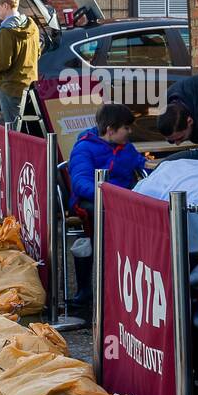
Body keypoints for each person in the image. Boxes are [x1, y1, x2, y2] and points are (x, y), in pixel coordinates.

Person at [67, 103, 145, 313]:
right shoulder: (84, 148)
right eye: (126, 128)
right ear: (111, 130)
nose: (130, 132)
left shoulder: (126, 147)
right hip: (91, 202)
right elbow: (79, 183)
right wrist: (108, 195)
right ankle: (85, 291)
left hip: (120, 201)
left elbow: (141, 163)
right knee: (97, 220)